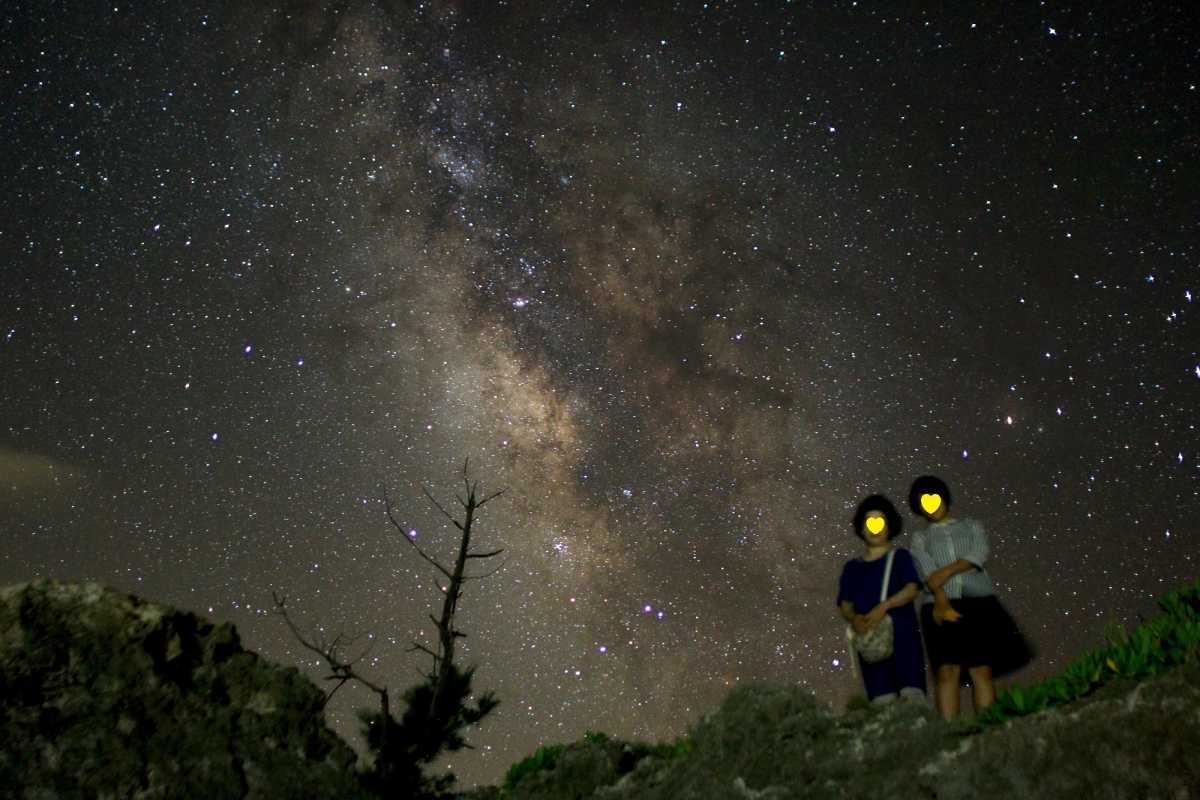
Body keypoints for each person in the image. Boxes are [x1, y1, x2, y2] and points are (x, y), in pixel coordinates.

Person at [907, 475, 1033, 721]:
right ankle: (948, 733)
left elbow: (979, 553)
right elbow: (927, 574)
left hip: (979, 605)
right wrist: (942, 600)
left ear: (943, 496)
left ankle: (987, 728)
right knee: (947, 671)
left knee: (980, 669)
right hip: (937, 606)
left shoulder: (972, 526)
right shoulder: (920, 539)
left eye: (932, 497)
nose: (930, 504)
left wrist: (947, 570)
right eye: (923, 501)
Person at [837, 494, 928, 706]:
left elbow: (912, 588)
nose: (875, 528)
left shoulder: (901, 557)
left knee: (912, 699)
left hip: (903, 638)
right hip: (871, 641)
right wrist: (854, 619)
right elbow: (845, 604)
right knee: (881, 703)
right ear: (861, 528)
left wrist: (884, 607)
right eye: (869, 522)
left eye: (880, 521)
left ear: (889, 526)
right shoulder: (852, 568)